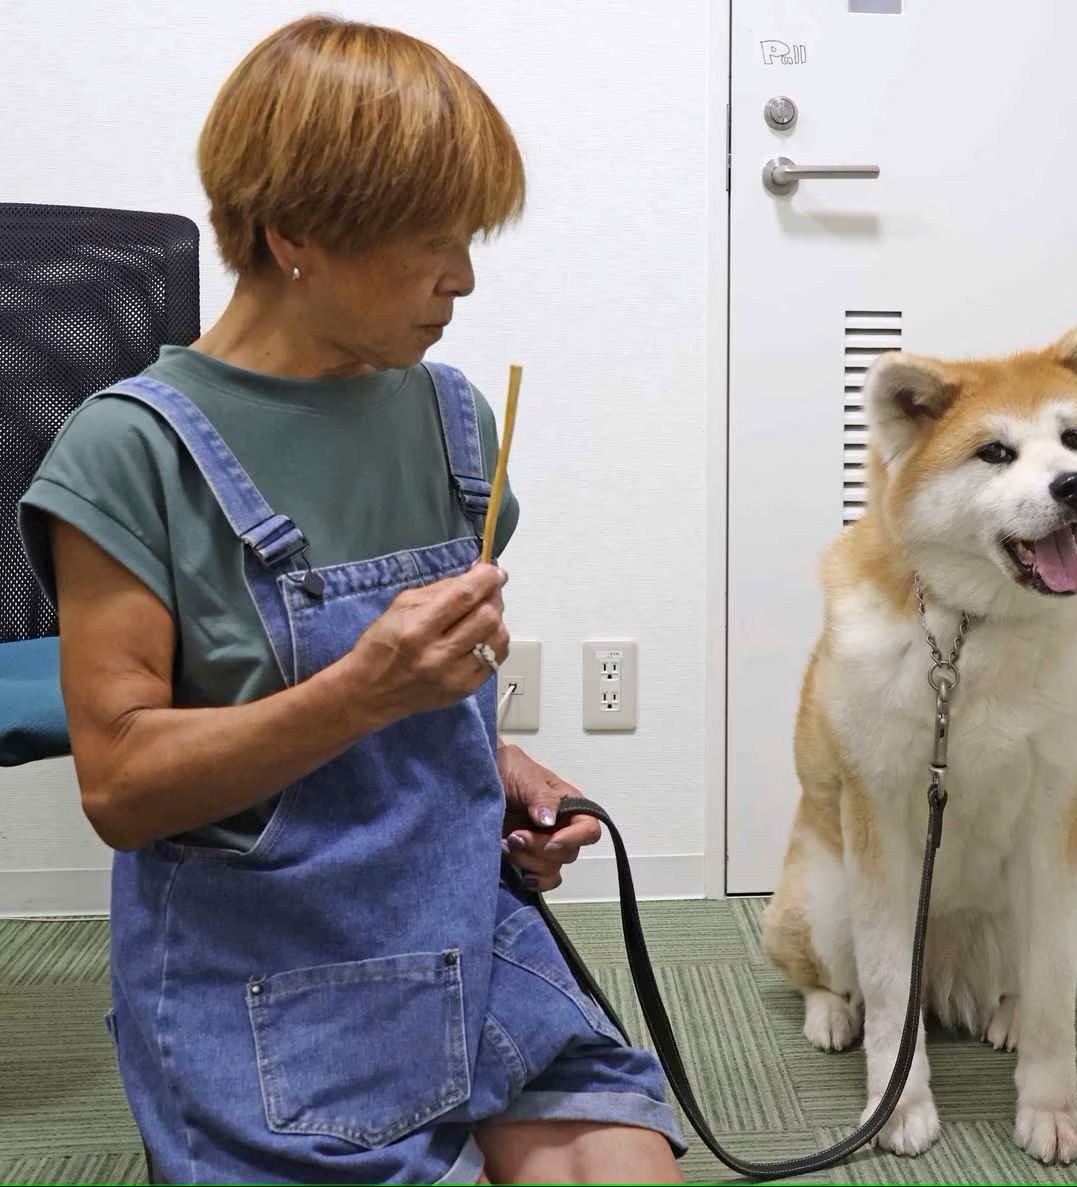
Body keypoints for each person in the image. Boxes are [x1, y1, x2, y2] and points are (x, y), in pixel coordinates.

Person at [18, 16, 685, 1184]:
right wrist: (363, 693)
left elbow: (431, 699)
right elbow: (121, 788)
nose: (465, 278)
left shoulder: (455, 419)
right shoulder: (127, 452)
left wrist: (505, 768)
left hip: (467, 938)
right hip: (271, 976)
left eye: (472, 238)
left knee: (620, 1160)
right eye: (434, 242)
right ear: (294, 236)